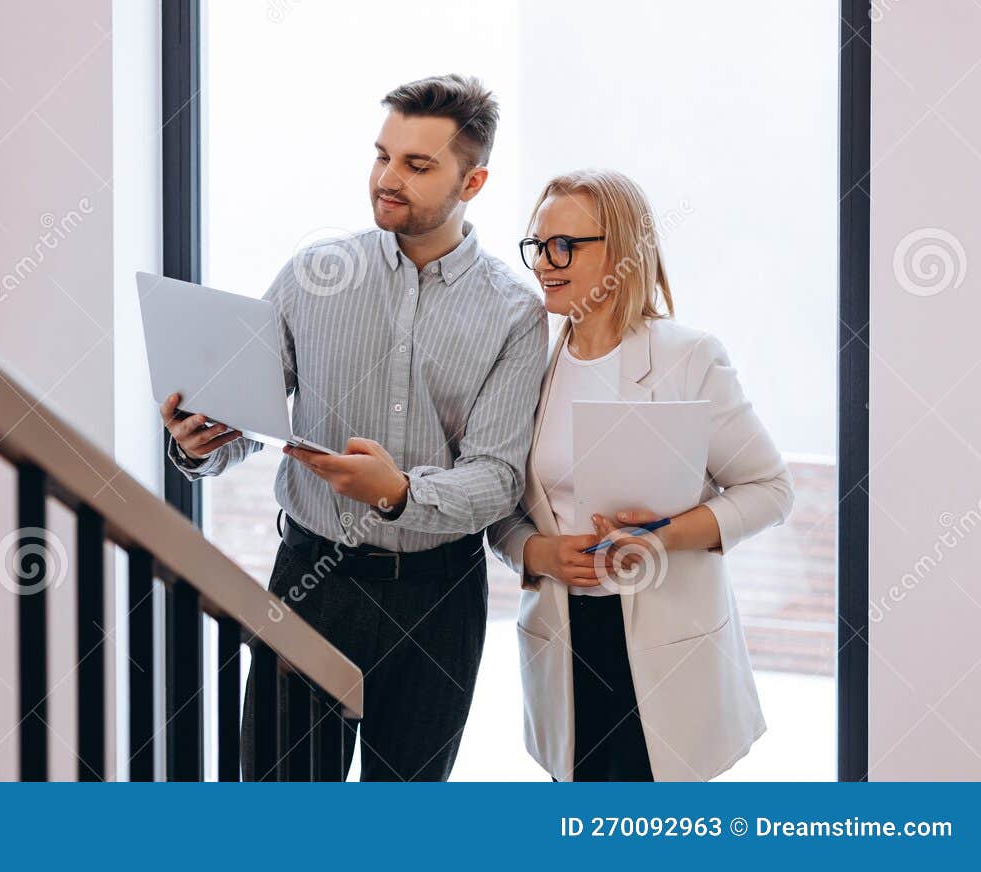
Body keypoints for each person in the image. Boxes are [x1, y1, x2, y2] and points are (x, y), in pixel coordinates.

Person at [160, 74, 546, 781]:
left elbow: (497, 477)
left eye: (417, 165)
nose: (387, 178)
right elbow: (247, 419)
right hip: (313, 581)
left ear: (474, 181)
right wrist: (198, 446)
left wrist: (399, 493)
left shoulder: (516, 313)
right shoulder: (312, 273)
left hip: (439, 600)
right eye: (382, 155)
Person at [487, 169, 795, 782]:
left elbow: (770, 490)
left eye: (564, 246)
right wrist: (538, 552)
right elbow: (502, 504)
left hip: (667, 648)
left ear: (621, 252)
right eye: (538, 245)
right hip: (565, 644)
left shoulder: (688, 357)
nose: (544, 263)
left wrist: (665, 536)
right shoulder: (528, 363)